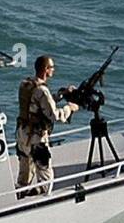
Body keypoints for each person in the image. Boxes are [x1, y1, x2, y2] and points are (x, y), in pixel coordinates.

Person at [16, 55, 79, 195]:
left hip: (22, 135)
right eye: (52, 67)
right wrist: (69, 108)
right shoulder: (42, 91)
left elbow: (37, 105)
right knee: (46, 177)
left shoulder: (25, 84)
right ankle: (40, 198)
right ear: (46, 69)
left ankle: (21, 198)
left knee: (24, 175)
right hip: (36, 139)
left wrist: (61, 94)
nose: (54, 70)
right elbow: (54, 115)